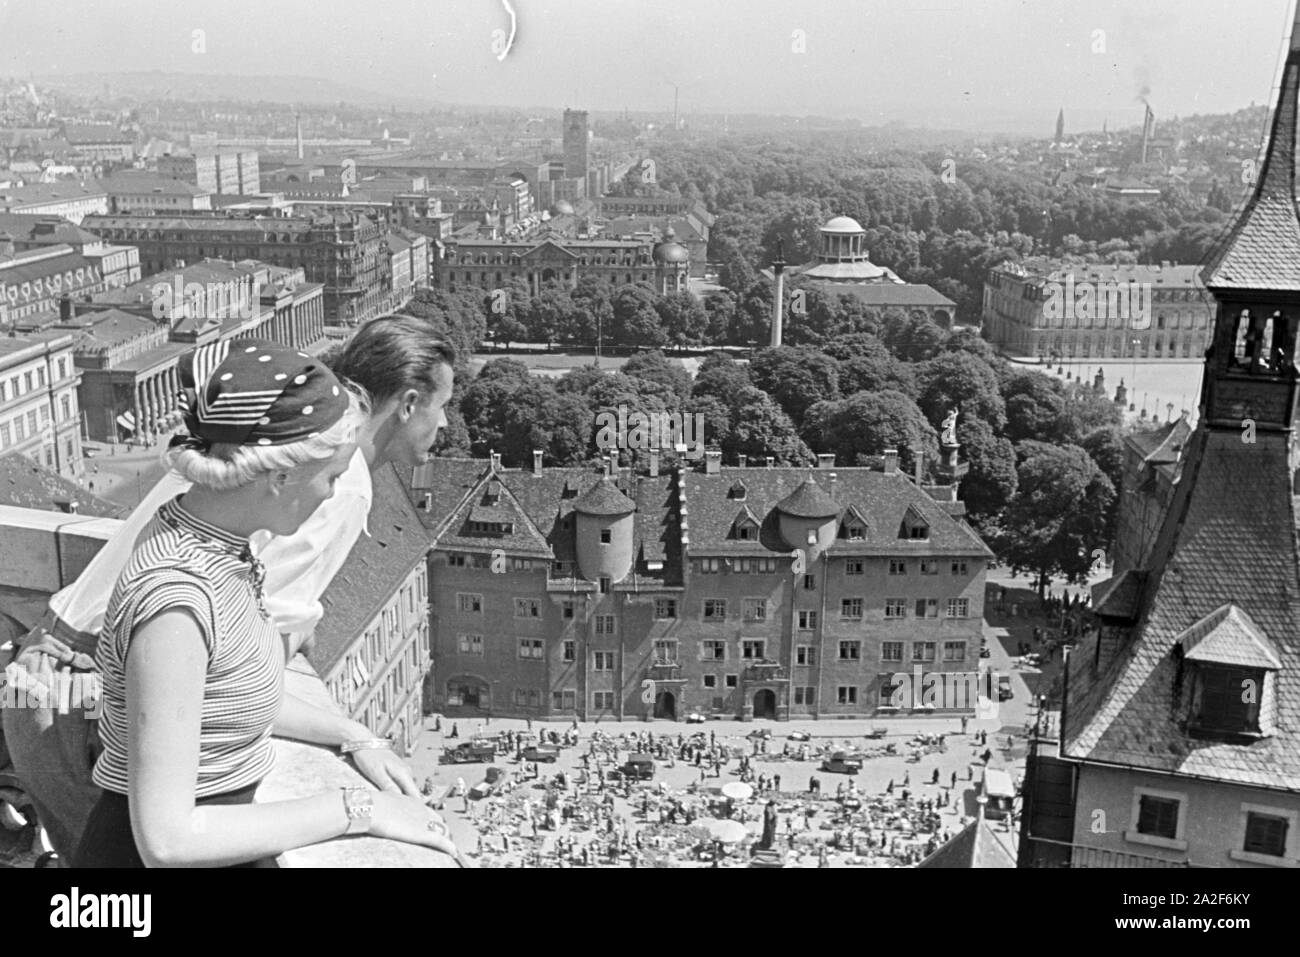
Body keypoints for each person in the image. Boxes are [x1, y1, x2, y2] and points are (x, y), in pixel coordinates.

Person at [5, 316, 458, 861]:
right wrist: (358, 808)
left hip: (52, 688)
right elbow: (167, 842)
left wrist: (352, 734)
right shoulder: (179, 598)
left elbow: (227, 693)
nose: (337, 493)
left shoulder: (221, 551)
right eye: (332, 476)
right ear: (280, 476)